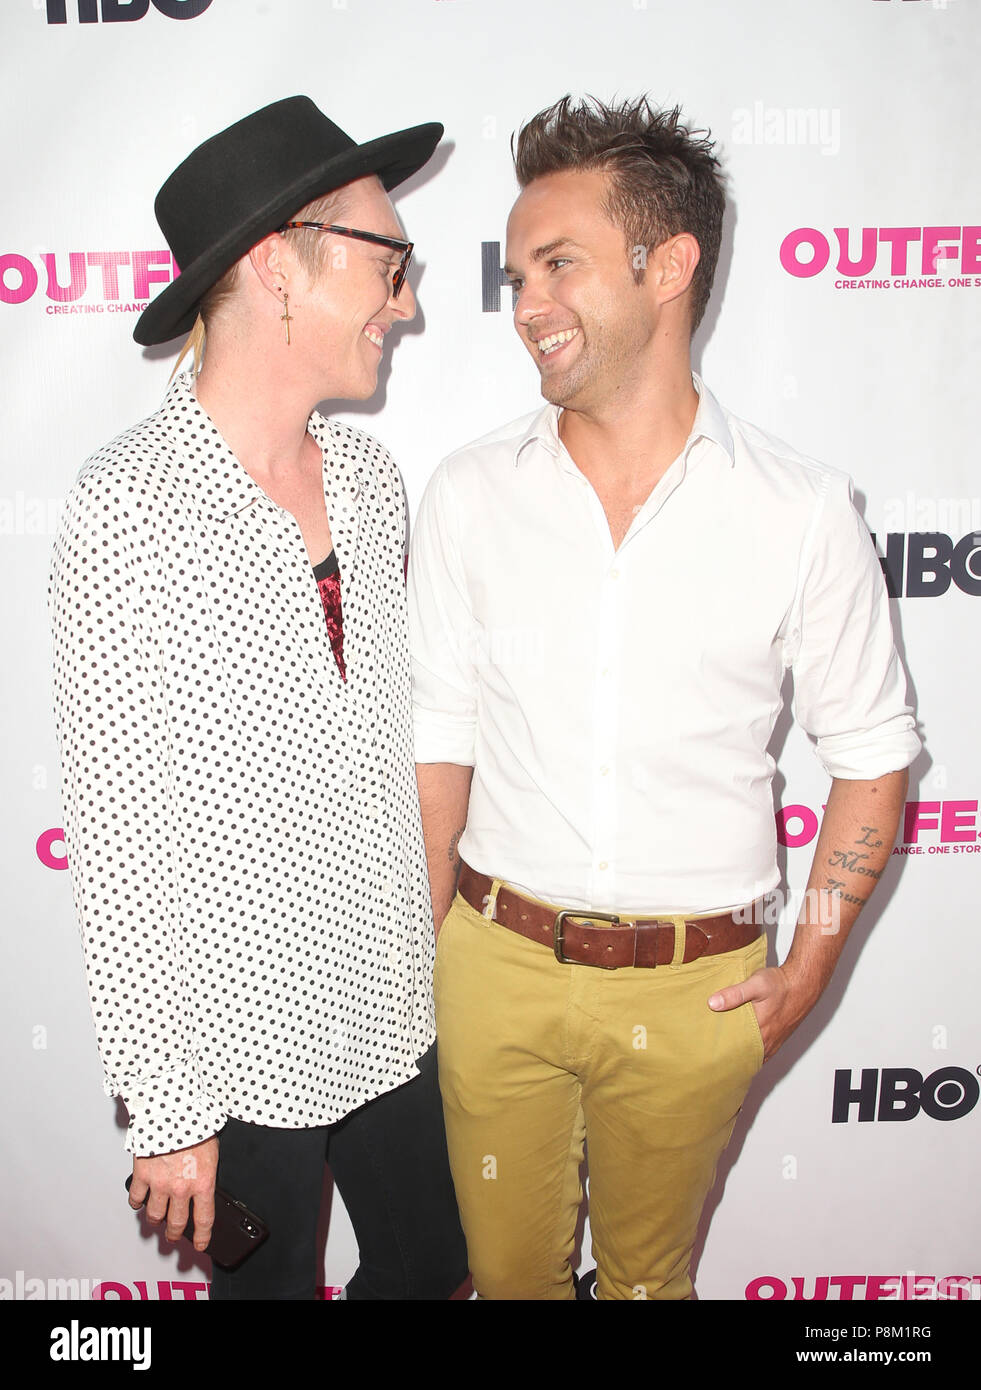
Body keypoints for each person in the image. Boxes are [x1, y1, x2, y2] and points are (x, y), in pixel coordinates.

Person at [408, 95, 919, 1301]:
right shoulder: (470, 492)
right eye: (518, 271)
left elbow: (873, 755)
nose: (526, 304)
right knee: (508, 1281)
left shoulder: (799, 511)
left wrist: (810, 963)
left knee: (649, 1286)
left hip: (703, 989)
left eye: (560, 265)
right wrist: (433, 955)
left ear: (670, 265)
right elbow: (440, 738)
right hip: (497, 969)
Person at [50, 95, 467, 1300]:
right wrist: (167, 1103)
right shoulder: (128, 506)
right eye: (390, 265)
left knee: (434, 1270)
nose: (411, 303)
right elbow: (122, 840)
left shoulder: (374, 480)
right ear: (282, 263)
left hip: (397, 1012)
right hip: (239, 1054)